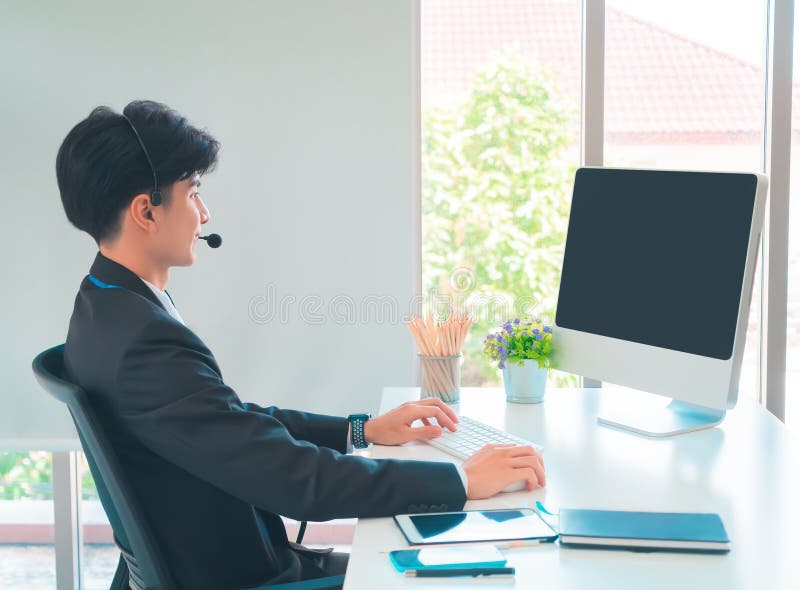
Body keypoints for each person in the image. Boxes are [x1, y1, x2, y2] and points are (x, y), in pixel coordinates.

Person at [57, 100, 546, 590]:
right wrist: (461, 482)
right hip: (251, 579)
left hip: (235, 563)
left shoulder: (103, 304)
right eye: (193, 193)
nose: (205, 213)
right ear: (146, 210)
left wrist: (364, 430)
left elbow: (230, 422)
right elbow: (296, 482)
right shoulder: (144, 342)